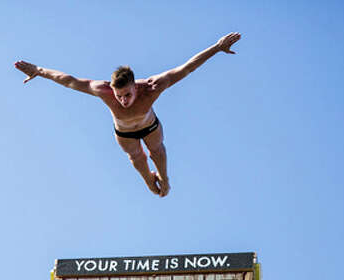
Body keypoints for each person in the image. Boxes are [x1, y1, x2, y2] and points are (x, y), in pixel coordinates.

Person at [14, 33, 241, 197]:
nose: (123, 100)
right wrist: (39, 71)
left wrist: (217, 47)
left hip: (149, 126)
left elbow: (187, 67)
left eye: (127, 95)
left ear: (136, 86)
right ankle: (150, 184)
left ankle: (165, 180)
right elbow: (68, 80)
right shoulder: (101, 89)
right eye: (119, 95)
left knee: (157, 152)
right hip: (123, 132)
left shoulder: (152, 86)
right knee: (136, 158)